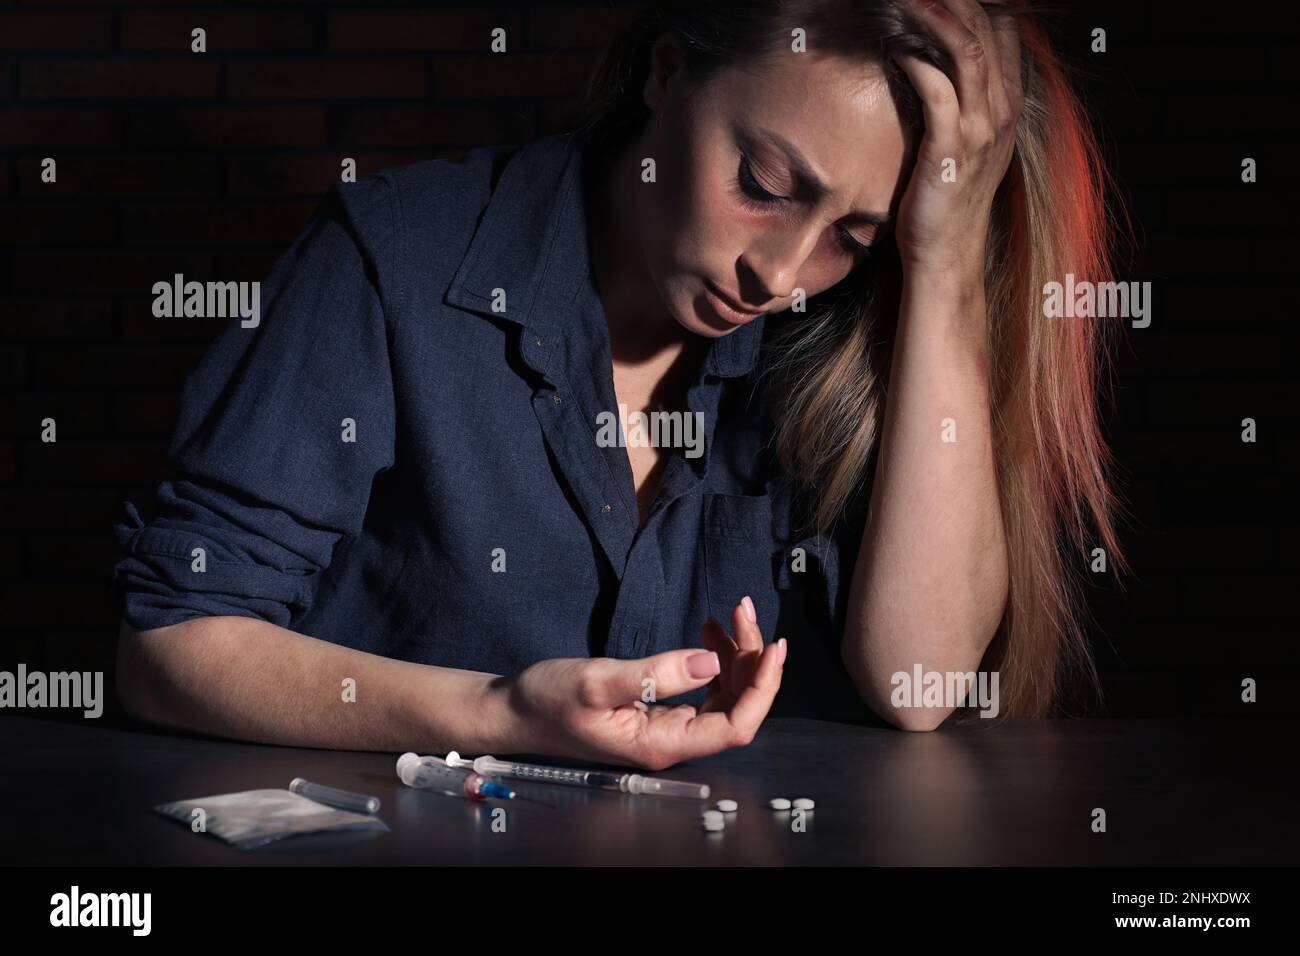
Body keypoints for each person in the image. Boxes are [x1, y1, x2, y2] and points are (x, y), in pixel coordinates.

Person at [113, 0, 1129, 769]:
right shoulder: (392, 264)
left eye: (852, 240)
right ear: (666, 73)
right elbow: (171, 643)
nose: (778, 275)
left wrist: (943, 266)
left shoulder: (852, 337)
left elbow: (925, 685)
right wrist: (499, 710)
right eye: (764, 187)